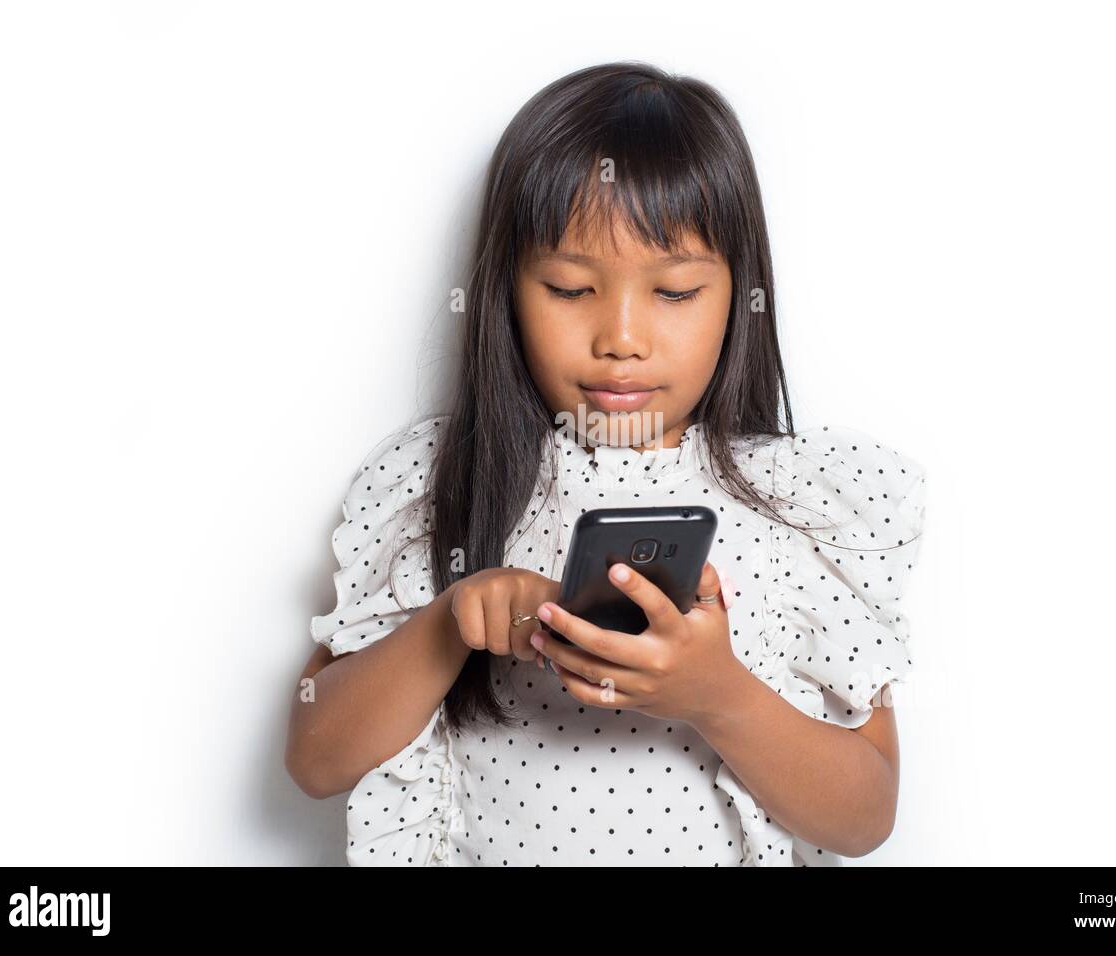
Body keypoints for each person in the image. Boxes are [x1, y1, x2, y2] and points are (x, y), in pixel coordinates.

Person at [285, 61, 928, 866]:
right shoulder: (443, 480)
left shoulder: (799, 505)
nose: (621, 336)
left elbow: (864, 818)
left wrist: (717, 696)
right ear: (505, 290)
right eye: (568, 286)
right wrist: (449, 622)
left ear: (739, 292)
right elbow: (314, 756)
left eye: (676, 293)